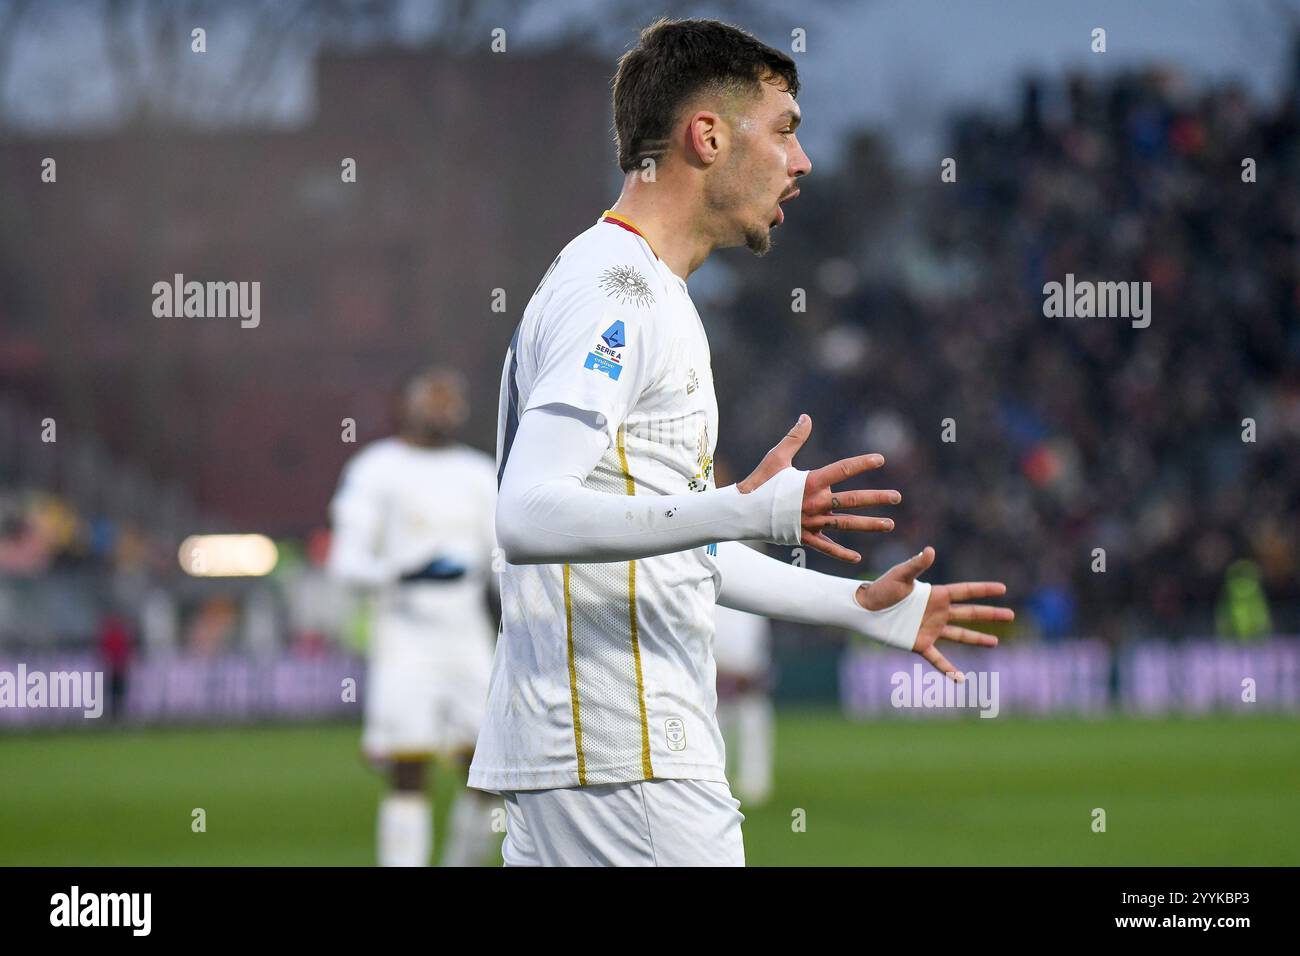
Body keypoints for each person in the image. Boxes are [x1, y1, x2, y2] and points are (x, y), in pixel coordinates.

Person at [470, 17, 1012, 866]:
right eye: (787, 130)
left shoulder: (639, 286)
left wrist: (855, 606)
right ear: (708, 136)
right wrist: (739, 507)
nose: (802, 162)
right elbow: (530, 515)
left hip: (593, 758)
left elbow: (655, 545)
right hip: (627, 761)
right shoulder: (618, 291)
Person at [328, 367, 501, 866]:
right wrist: (405, 571)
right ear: (409, 405)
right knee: (408, 766)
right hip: (405, 635)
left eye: (452, 401)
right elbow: (346, 561)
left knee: (491, 766)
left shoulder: (478, 471)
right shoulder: (376, 468)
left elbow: (503, 559)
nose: (444, 410)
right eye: (434, 400)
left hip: (468, 633)